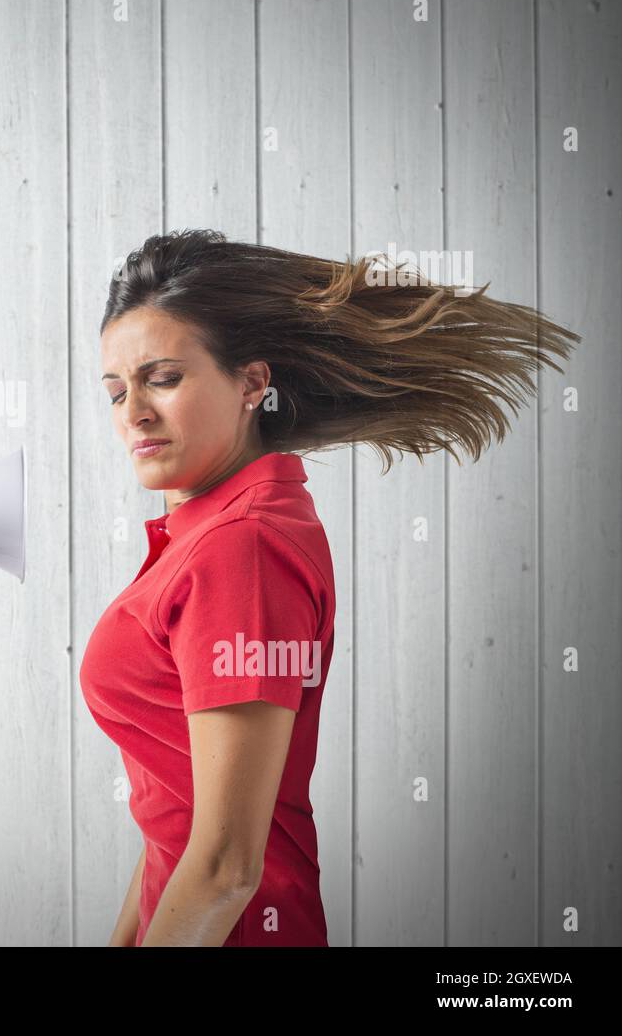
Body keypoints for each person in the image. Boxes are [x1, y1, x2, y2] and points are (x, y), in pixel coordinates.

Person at [80, 230, 580, 946]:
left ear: (252, 383)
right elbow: (177, 815)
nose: (132, 412)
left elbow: (225, 868)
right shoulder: (206, 533)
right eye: (115, 389)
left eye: (162, 378)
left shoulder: (239, 550)